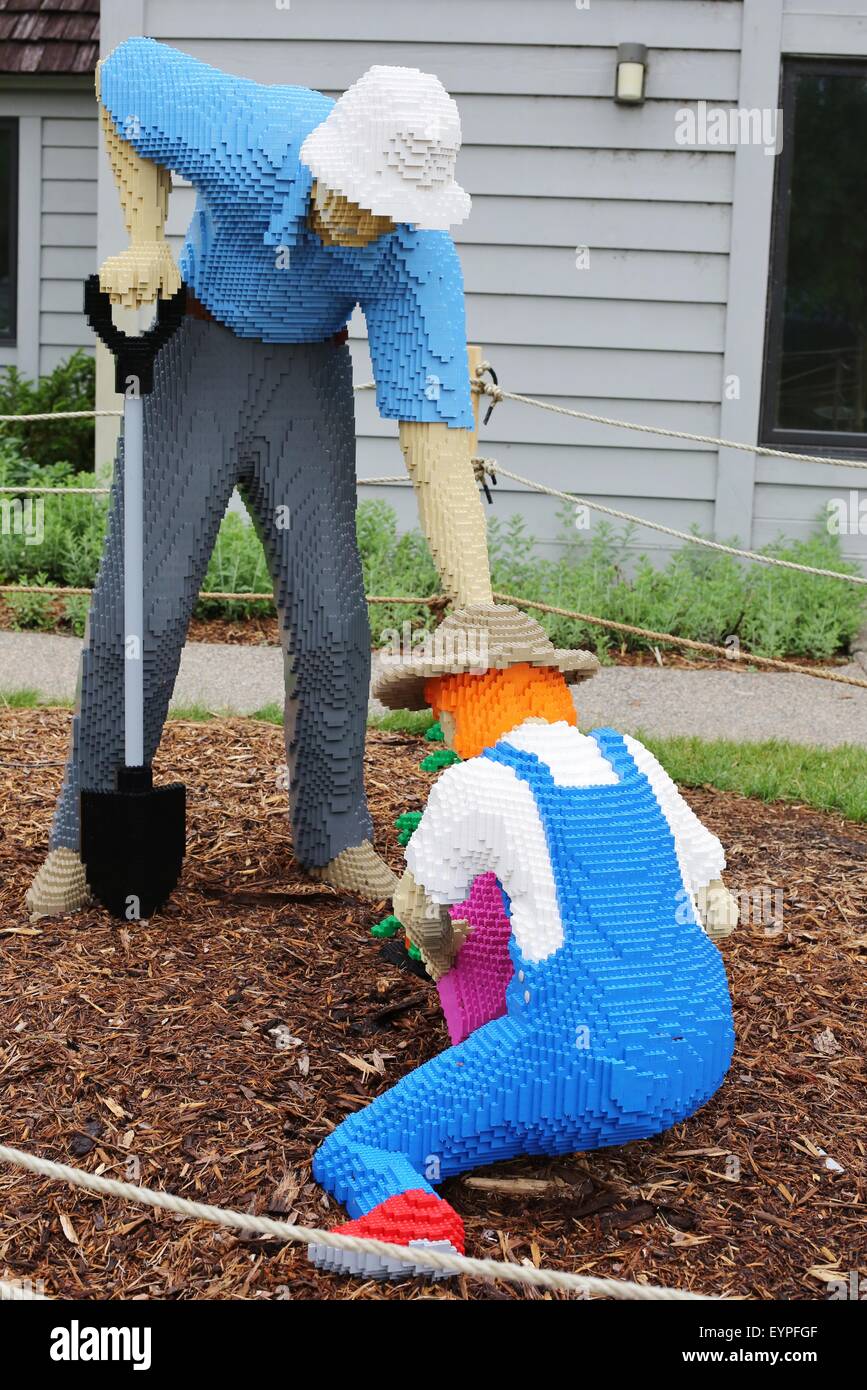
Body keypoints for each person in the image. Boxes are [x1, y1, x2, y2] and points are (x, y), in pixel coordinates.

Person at [27, 40, 494, 918]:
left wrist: (471, 598)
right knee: (142, 614)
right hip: (194, 356)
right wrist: (143, 240)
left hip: (304, 388)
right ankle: (79, 844)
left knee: (332, 623)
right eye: (366, 203)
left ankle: (333, 835)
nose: (376, 224)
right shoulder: (249, 135)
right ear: (329, 164)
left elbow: (432, 425)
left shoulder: (413, 251)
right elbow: (120, 74)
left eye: (397, 211)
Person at [309, 605, 737, 1278]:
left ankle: (415, 1227)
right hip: (703, 1050)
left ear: (458, 703)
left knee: (353, 1147)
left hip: (582, 1067)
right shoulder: (632, 757)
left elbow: (420, 913)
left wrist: (443, 954)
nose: (440, 727)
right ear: (550, 689)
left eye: (440, 711)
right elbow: (717, 913)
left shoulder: (477, 781)